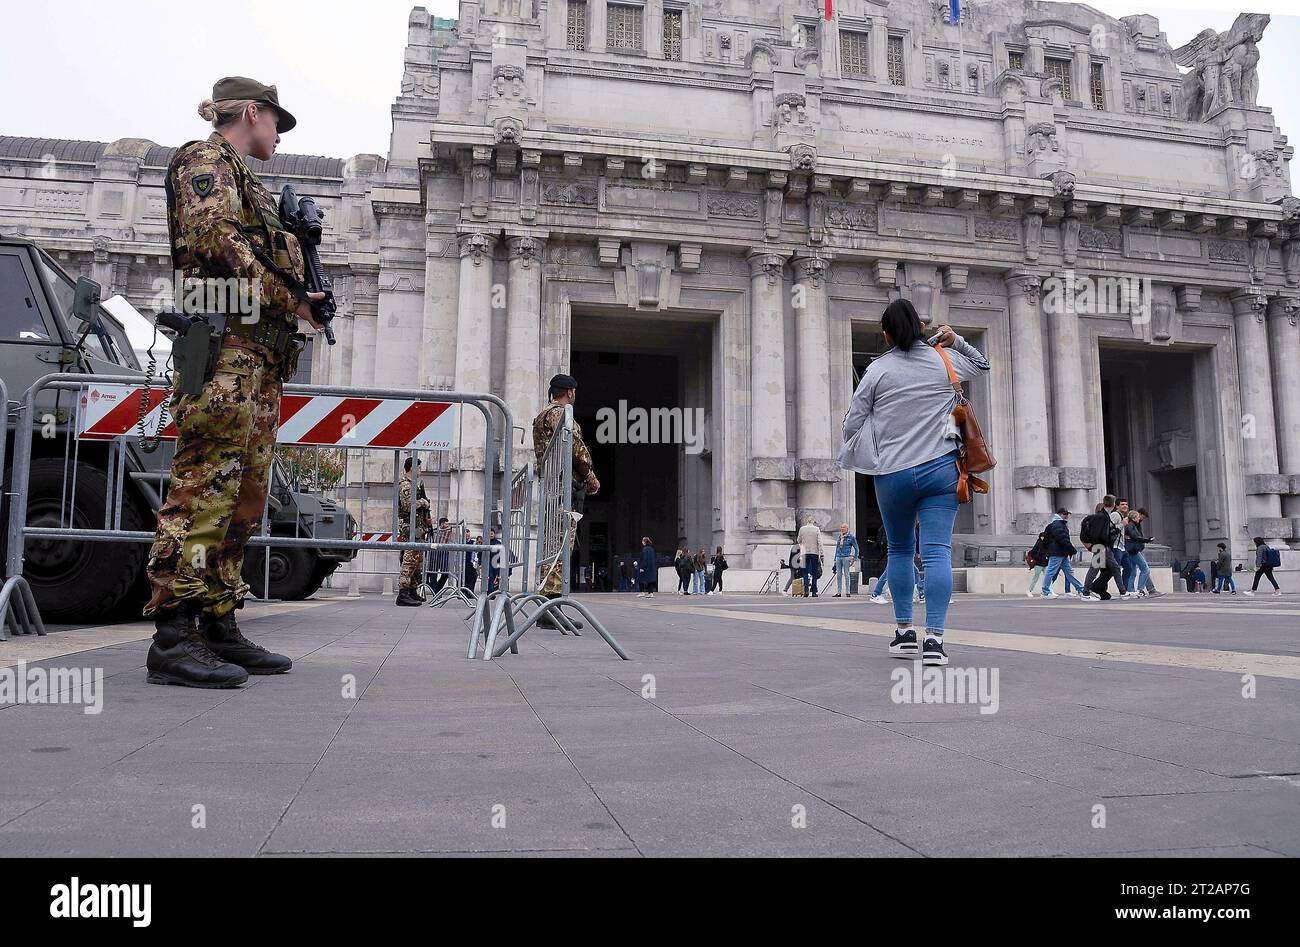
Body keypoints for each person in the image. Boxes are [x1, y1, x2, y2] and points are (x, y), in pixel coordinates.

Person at [143, 77, 328, 688]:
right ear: (251, 112)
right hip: (224, 353)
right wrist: (294, 296)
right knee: (205, 489)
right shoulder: (203, 161)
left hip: (257, 362)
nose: (279, 134)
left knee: (244, 499)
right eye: (277, 121)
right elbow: (216, 245)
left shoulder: (248, 182)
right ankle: (174, 632)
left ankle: (217, 619)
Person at [839, 300, 991, 666]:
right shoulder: (945, 360)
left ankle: (905, 633)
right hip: (941, 470)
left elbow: (851, 424)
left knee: (901, 551)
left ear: (886, 334)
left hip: (893, 473)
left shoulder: (876, 371)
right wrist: (955, 341)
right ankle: (935, 640)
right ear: (922, 328)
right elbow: (983, 366)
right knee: (937, 552)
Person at [533, 374, 600, 627]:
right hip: (565, 486)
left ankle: (546, 607)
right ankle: (552, 606)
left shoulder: (541, 416)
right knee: (561, 546)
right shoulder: (562, 414)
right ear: (570, 392)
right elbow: (576, 449)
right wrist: (591, 476)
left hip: (551, 487)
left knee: (551, 545)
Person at [395, 457, 430, 607]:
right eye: (420, 468)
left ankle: (412, 590)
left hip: (417, 527)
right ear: (412, 468)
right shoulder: (405, 485)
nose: (421, 471)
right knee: (409, 559)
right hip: (409, 527)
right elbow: (409, 506)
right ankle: (403, 593)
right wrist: (423, 502)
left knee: (417, 561)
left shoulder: (415, 485)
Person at [1039, 508, 1086, 598]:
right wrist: (1071, 549)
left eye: (1068, 514)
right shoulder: (1058, 524)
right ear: (1059, 514)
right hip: (1058, 552)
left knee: (1068, 572)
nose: (1067, 515)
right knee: (1051, 571)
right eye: (1065, 514)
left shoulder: (1055, 524)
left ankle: (1081, 589)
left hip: (1060, 552)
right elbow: (1062, 538)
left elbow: (1047, 539)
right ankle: (1045, 591)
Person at [1122, 509, 1153, 599]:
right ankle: (1140, 590)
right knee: (1145, 569)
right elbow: (1135, 536)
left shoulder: (1130, 525)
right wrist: (1147, 540)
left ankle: (1130, 591)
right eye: (1137, 517)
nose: (1139, 518)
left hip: (1129, 550)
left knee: (1132, 572)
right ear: (1134, 518)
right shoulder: (1131, 525)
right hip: (1133, 550)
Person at [798, 516, 825, 597]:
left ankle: (806, 590)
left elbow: (798, 540)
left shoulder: (802, 529)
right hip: (814, 553)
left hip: (804, 552)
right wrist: (822, 553)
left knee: (805, 572)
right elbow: (819, 542)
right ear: (813, 521)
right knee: (814, 572)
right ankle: (813, 591)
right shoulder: (816, 529)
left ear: (807, 521)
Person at [832, 523, 859, 598]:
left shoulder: (851, 537)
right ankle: (839, 592)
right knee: (838, 575)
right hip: (838, 556)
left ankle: (848, 591)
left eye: (844, 527)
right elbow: (837, 548)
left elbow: (856, 548)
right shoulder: (840, 537)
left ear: (847, 529)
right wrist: (835, 558)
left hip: (846, 557)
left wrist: (855, 558)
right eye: (841, 527)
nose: (842, 529)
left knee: (847, 574)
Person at [1025, 529, 1049, 598]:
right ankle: (1029, 590)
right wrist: (1040, 558)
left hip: (1045, 563)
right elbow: (1032, 553)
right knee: (1036, 577)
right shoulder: (1038, 543)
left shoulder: (1046, 544)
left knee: (1047, 578)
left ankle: (1046, 592)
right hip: (1039, 564)